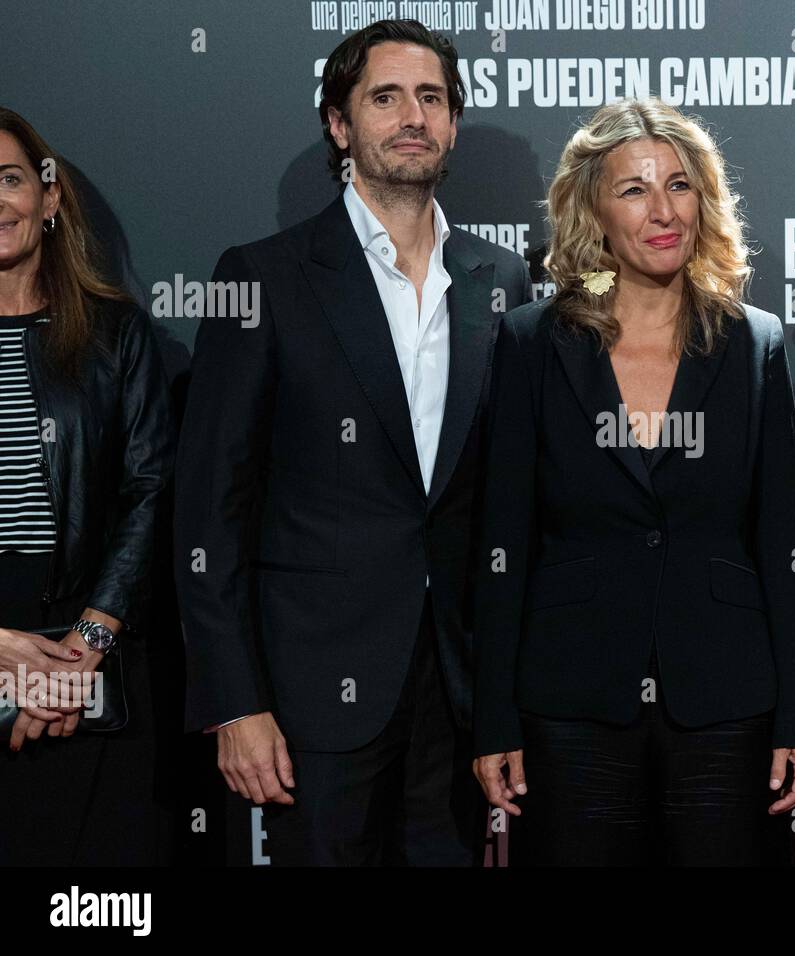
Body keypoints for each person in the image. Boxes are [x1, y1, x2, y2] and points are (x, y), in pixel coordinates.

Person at [174, 20, 530, 866]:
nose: (412, 116)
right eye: (385, 97)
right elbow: (207, 509)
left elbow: (501, 500)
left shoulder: (501, 280)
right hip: (308, 702)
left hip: (458, 695)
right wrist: (234, 702)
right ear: (339, 123)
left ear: (452, 123)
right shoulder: (263, 277)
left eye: (432, 98)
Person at [471, 97, 795, 866]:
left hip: (725, 699)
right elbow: (503, 540)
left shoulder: (754, 343)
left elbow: (783, 544)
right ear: (592, 209)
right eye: (634, 189)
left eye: (680, 184)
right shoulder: (534, 341)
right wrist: (494, 716)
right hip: (572, 698)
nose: (663, 210)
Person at [0, 107, 174, 865]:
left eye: (8, 179)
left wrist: (83, 650)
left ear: (49, 199)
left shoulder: (117, 334)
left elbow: (150, 490)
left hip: (88, 644)